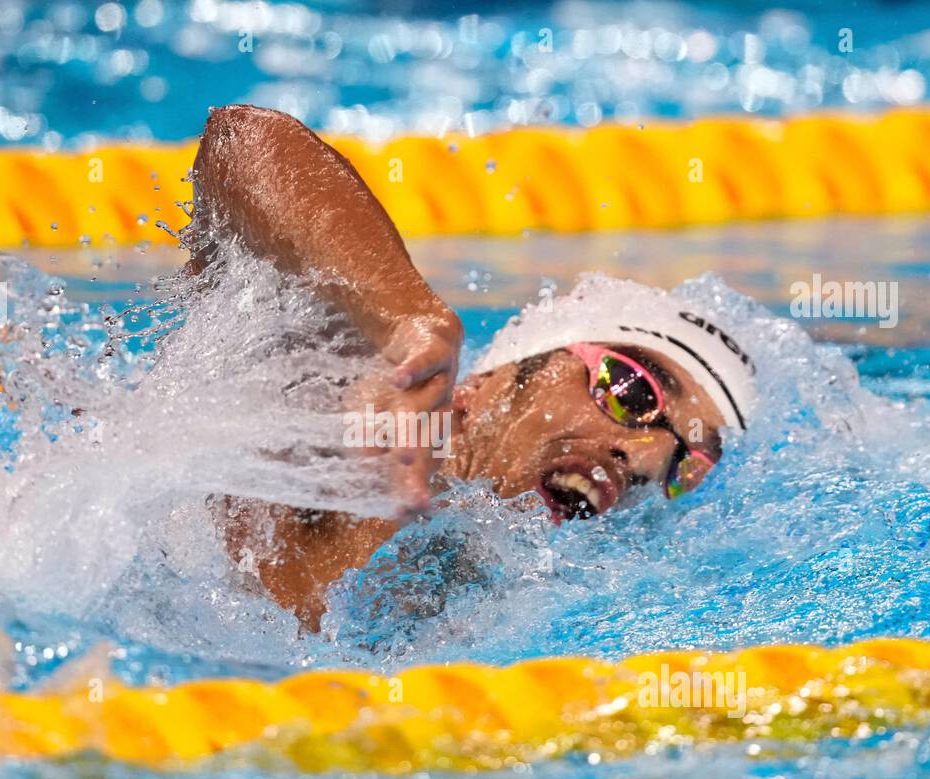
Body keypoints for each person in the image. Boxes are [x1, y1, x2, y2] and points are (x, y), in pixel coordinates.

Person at [195, 105, 760, 631]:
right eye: (632, 392)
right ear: (492, 378)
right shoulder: (355, 397)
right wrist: (407, 319)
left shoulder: (498, 604)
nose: (647, 457)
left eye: (688, 462)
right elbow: (241, 142)